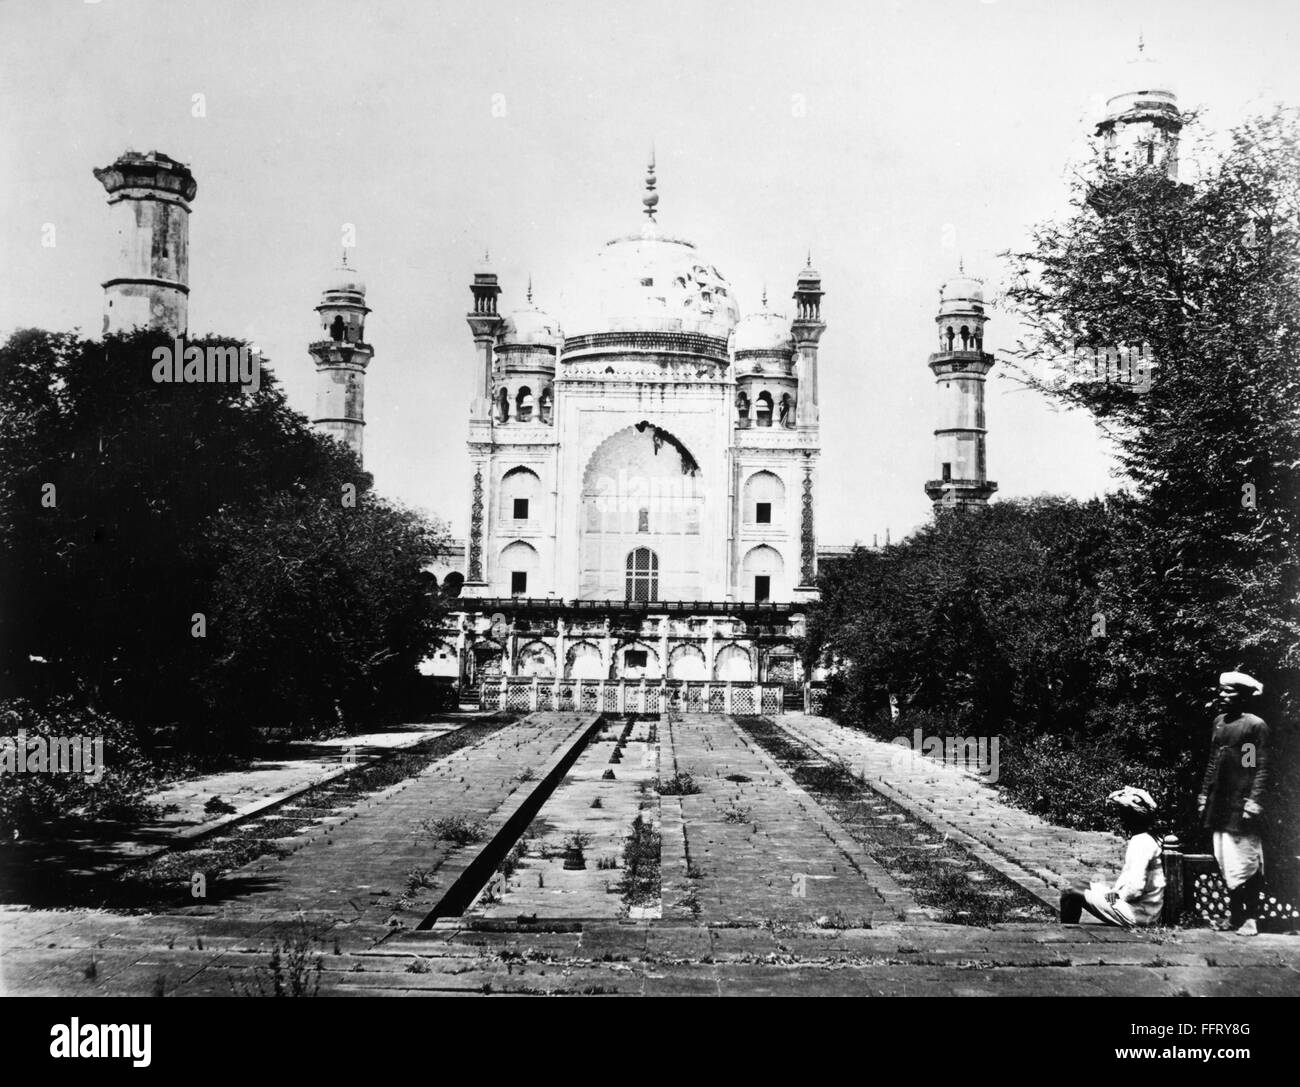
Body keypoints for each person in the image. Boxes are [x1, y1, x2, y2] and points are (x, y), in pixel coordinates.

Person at [1198, 670, 1269, 936]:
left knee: (1244, 862)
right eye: (1222, 691)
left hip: (1239, 805)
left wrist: (1251, 800)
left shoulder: (1254, 725)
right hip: (1219, 803)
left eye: (1230, 692)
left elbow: (1255, 766)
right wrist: (1204, 795)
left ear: (1243, 697)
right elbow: (1213, 760)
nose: (1223, 696)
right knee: (1225, 859)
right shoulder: (1219, 722)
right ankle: (1234, 915)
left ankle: (1250, 917)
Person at [1060, 787, 1165, 928]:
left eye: (1123, 814)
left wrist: (1119, 896)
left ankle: (1067, 934)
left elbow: (1135, 887)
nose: (1121, 819)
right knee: (1077, 884)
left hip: (1139, 914)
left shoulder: (1141, 843)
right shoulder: (1147, 838)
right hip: (1141, 907)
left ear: (1131, 817)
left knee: (1070, 893)